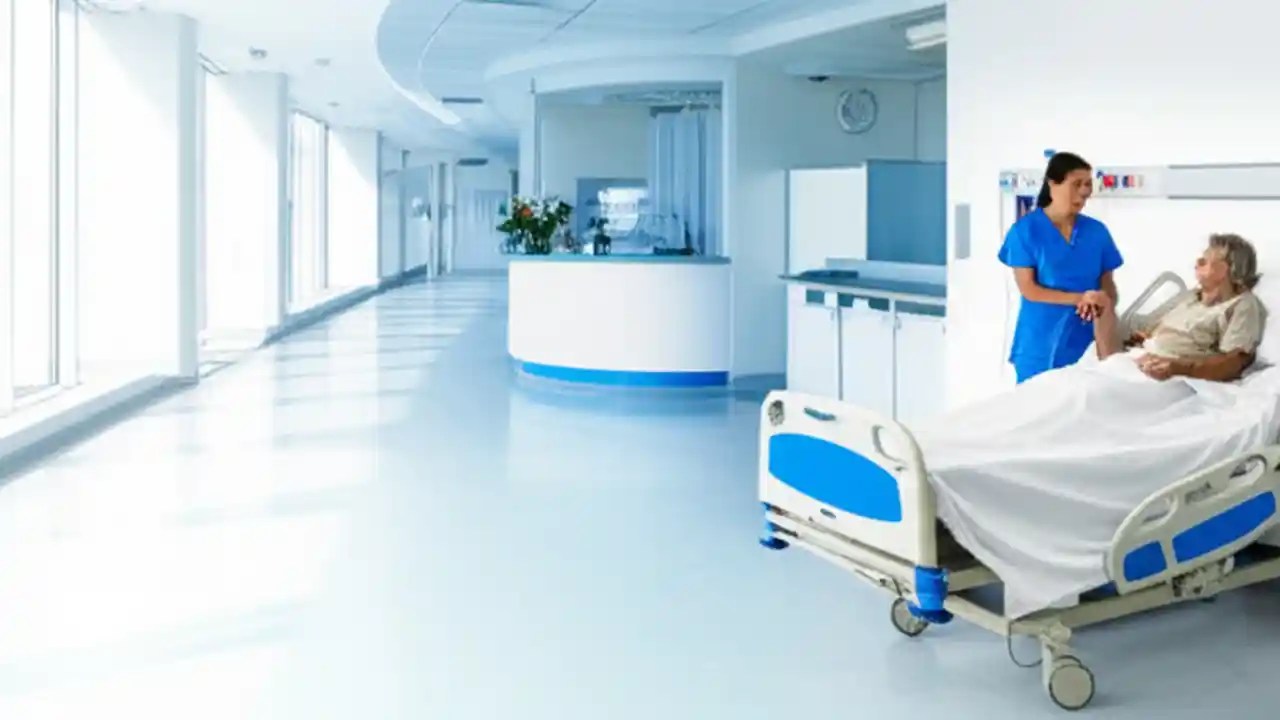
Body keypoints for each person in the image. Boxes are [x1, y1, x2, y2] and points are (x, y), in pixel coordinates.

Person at [999, 152, 1124, 383]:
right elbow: (1030, 289)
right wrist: (1081, 298)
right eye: (1076, 184)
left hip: (1087, 342)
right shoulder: (1025, 232)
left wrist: (1102, 302)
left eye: (1088, 184)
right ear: (1053, 184)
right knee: (1037, 410)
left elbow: (1108, 285)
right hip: (1039, 343)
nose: (1084, 191)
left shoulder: (1097, 232)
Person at [1092, 233, 1265, 382]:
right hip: (1141, 359)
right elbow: (1153, 332)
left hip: (1173, 375)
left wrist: (1179, 369)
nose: (1196, 264)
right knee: (1100, 302)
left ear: (1226, 269)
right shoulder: (1191, 297)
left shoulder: (1242, 304)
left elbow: (1234, 362)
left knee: (1088, 394)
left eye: (1204, 261)